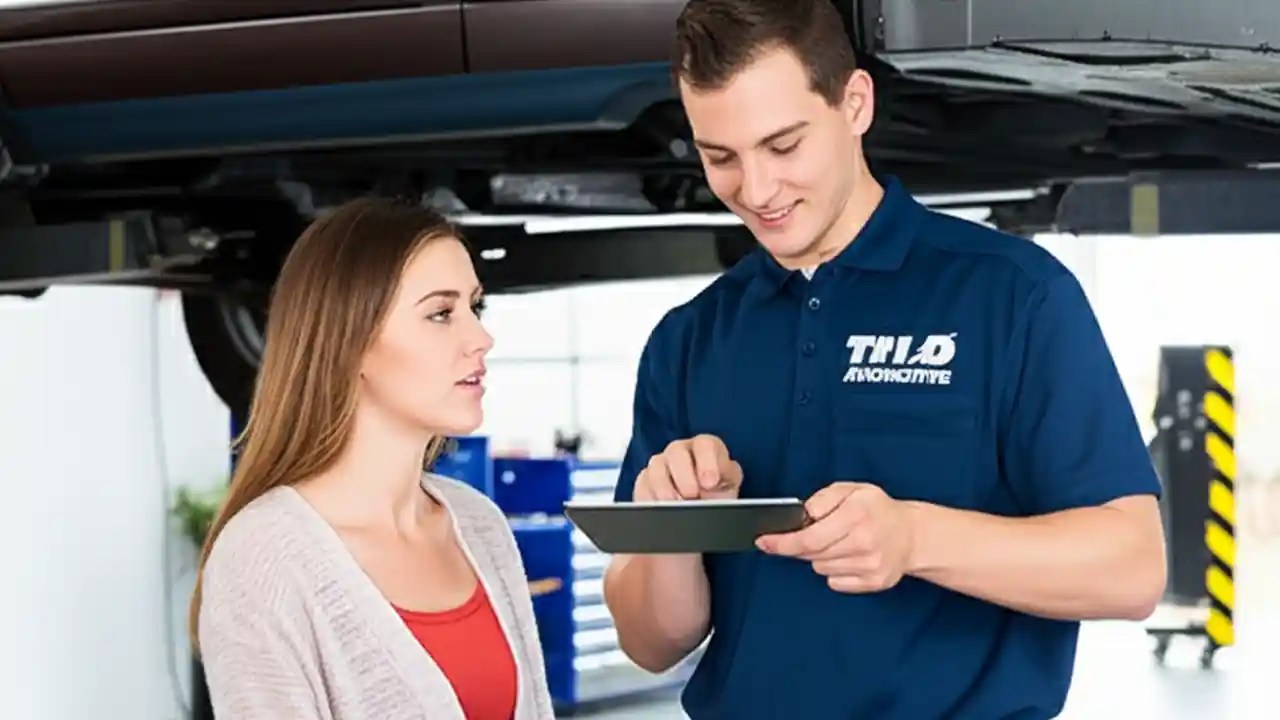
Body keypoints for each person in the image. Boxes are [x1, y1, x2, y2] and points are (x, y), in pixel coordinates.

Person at [602, 1, 1168, 718]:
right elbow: (651, 644)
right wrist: (670, 530)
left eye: (783, 146)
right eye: (721, 157)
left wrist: (915, 538)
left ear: (855, 103)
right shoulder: (690, 338)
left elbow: (1131, 568)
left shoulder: (1012, 295)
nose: (756, 189)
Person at [189, 198, 555, 720]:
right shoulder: (263, 557)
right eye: (440, 313)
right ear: (350, 342)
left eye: (476, 307)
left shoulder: (479, 524)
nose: (480, 337)